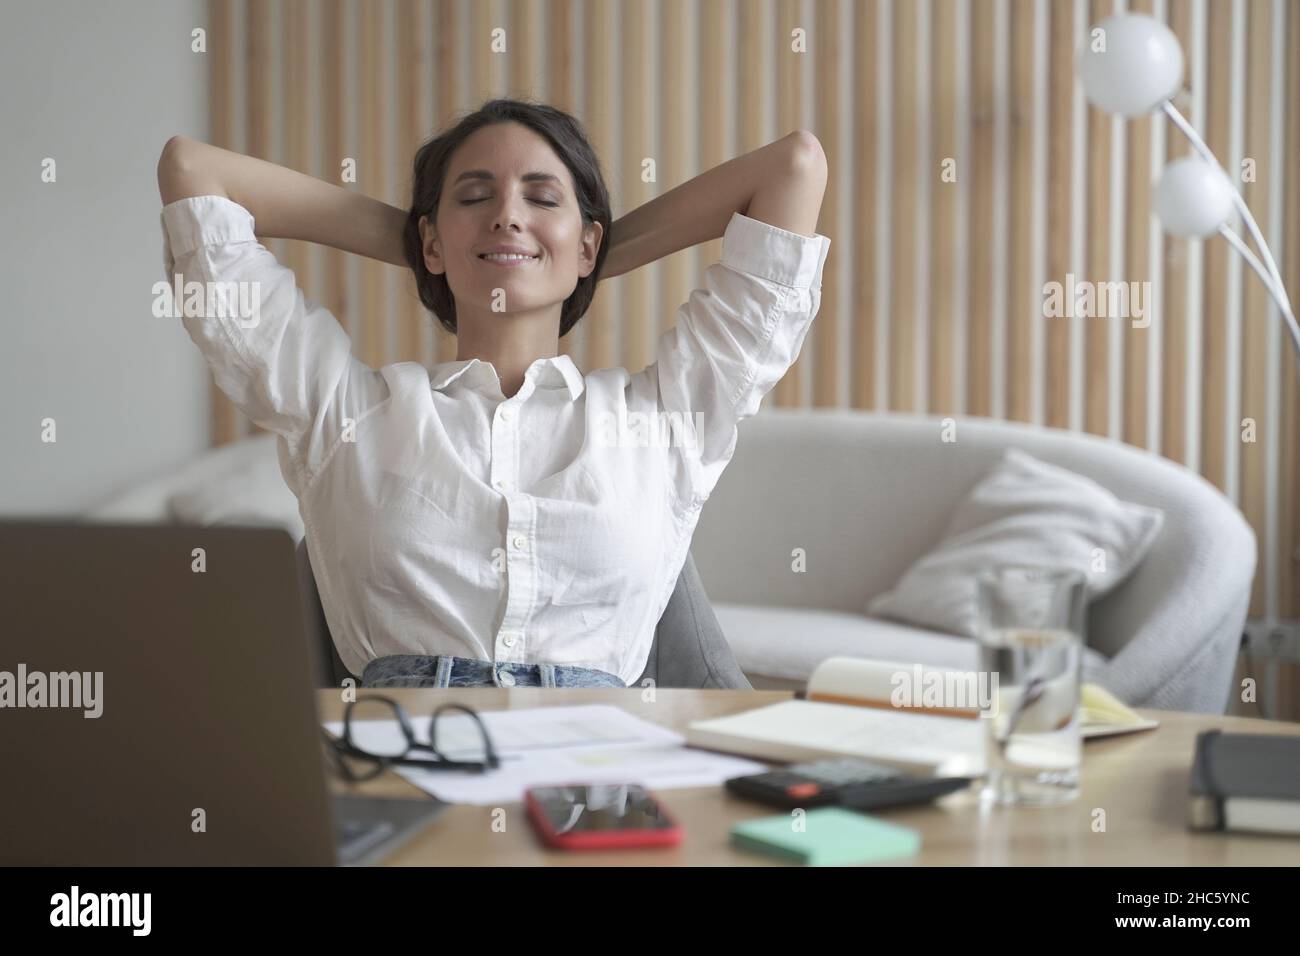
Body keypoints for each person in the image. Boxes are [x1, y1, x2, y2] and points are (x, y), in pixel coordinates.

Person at [156, 97, 830, 689]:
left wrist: (562, 255)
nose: (507, 214)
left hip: (597, 758)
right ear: (430, 240)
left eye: (542, 198)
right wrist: (447, 247)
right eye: (475, 197)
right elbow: (192, 171)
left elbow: (793, 168)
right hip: (404, 755)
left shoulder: (661, 422)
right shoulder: (343, 412)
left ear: (590, 244)